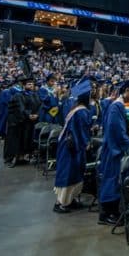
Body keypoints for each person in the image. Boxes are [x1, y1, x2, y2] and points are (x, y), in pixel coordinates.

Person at [97, 77, 129, 226]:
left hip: (124, 147)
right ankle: (106, 213)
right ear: (127, 90)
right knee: (112, 179)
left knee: (119, 180)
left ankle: (116, 210)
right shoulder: (116, 106)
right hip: (114, 149)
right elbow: (116, 130)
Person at [54, 79, 92, 213]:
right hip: (72, 147)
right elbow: (80, 131)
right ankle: (60, 203)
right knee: (68, 174)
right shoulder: (81, 111)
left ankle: (71, 200)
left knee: (75, 174)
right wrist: (86, 142)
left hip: (71, 145)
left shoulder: (75, 108)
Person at [4, 77, 40, 167]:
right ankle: (11, 159)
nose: (31, 85)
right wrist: (28, 115)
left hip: (27, 121)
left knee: (25, 139)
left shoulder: (35, 94)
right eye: (28, 84)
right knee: (15, 141)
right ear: (24, 86)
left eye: (32, 84)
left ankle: (22, 157)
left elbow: (40, 105)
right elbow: (20, 107)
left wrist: (37, 114)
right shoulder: (18, 95)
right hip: (17, 122)